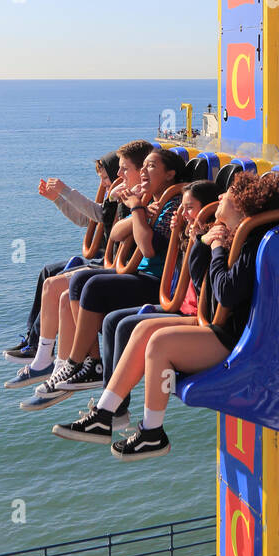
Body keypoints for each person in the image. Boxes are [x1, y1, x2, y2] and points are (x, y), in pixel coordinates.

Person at [51, 169, 279, 457]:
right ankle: (103, 415)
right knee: (142, 330)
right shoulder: (232, 236)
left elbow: (227, 293)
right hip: (213, 324)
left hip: (232, 338)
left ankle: (152, 432)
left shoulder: (251, 243)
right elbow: (202, 279)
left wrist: (215, 248)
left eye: (226, 195)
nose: (219, 197)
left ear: (241, 205)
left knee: (159, 344)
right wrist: (204, 243)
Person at [29, 146, 187, 400]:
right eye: (143, 166)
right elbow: (113, 233)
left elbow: (146, 247)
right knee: (74, 281)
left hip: (155, 283)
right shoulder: (149, 200)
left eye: (151, 167)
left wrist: (136, 208)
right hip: (138, 273)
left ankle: (76, 362)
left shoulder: (170, 204)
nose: (144, 172)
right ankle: (72, 361)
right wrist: (137, 209)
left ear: (169, 175)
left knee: (87, 285)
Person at [2, 143, 151, 362]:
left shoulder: (128, 198)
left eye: (106, 177)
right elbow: (85, 219)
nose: (105, 183)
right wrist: (58, 200)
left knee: (63, 283)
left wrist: (66, 191)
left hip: (112, 263)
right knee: (48, 272)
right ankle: (34, 340)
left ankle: (54, 353)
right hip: (108, 260)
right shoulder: (120, 195)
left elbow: (99, 215)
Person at [96, 179, 218, 419]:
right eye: (181, 208)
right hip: (179, 303)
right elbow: (115, 234)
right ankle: (111, 405)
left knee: (129, 325)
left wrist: (197, 241)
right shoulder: (188, 232)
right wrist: (182, 234)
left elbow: (197, 278)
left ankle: (116, 410)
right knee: (113, 322)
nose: (182, 214)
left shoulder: (213, 240)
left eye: (189, 208)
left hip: (194, 313)